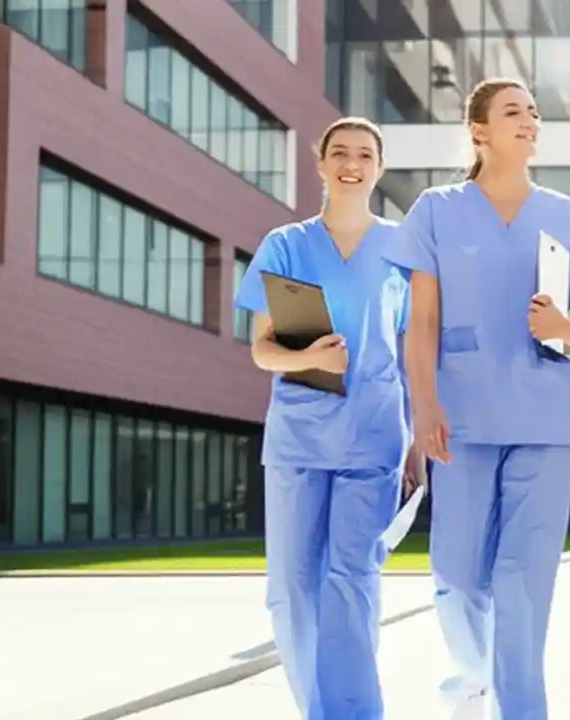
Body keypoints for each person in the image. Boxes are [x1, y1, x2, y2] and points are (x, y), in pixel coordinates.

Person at [381, 78, 570, 720]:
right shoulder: (436, 209)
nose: (530, 120)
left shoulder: (563, 214)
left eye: (534, 112)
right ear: (478, 130)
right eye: (515, 112)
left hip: (542, 419)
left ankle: (521, 709)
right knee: (456, 576)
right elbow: (420, 322)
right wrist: (422, 405)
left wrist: (563, 328)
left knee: (522, 583)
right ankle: (471, 685)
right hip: (461, 418)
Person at [234, 116, 417, 720]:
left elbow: (415, 348)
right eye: (340, 152)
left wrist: (417, 437)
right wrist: (306, 357)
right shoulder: (285, 245)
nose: (352, 163)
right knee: (291, 592)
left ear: (379, 168)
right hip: (298, 439)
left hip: (374, 438)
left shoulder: (403, 250)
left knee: (352, 585)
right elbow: (262, 348)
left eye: (365, 154)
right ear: (320, 163)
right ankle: (319, 709)